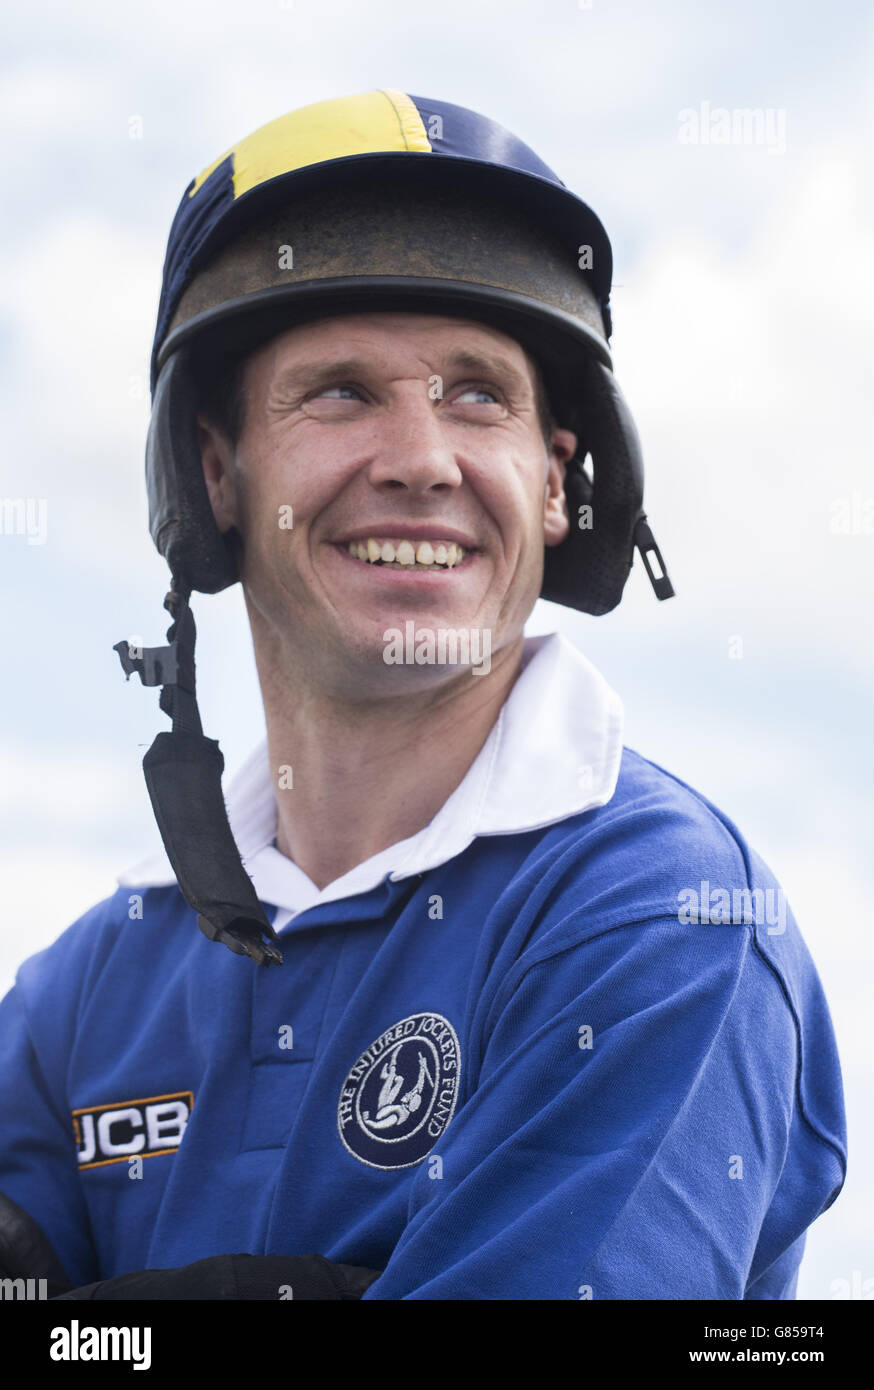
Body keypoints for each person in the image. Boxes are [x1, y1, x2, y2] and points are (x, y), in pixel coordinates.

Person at [0, 89, 846, 1301]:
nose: (420, 457)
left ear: (559, 486)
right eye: (340, 390)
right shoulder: (88, 990)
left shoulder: (662, 922)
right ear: (212, 473)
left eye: (477, 395)